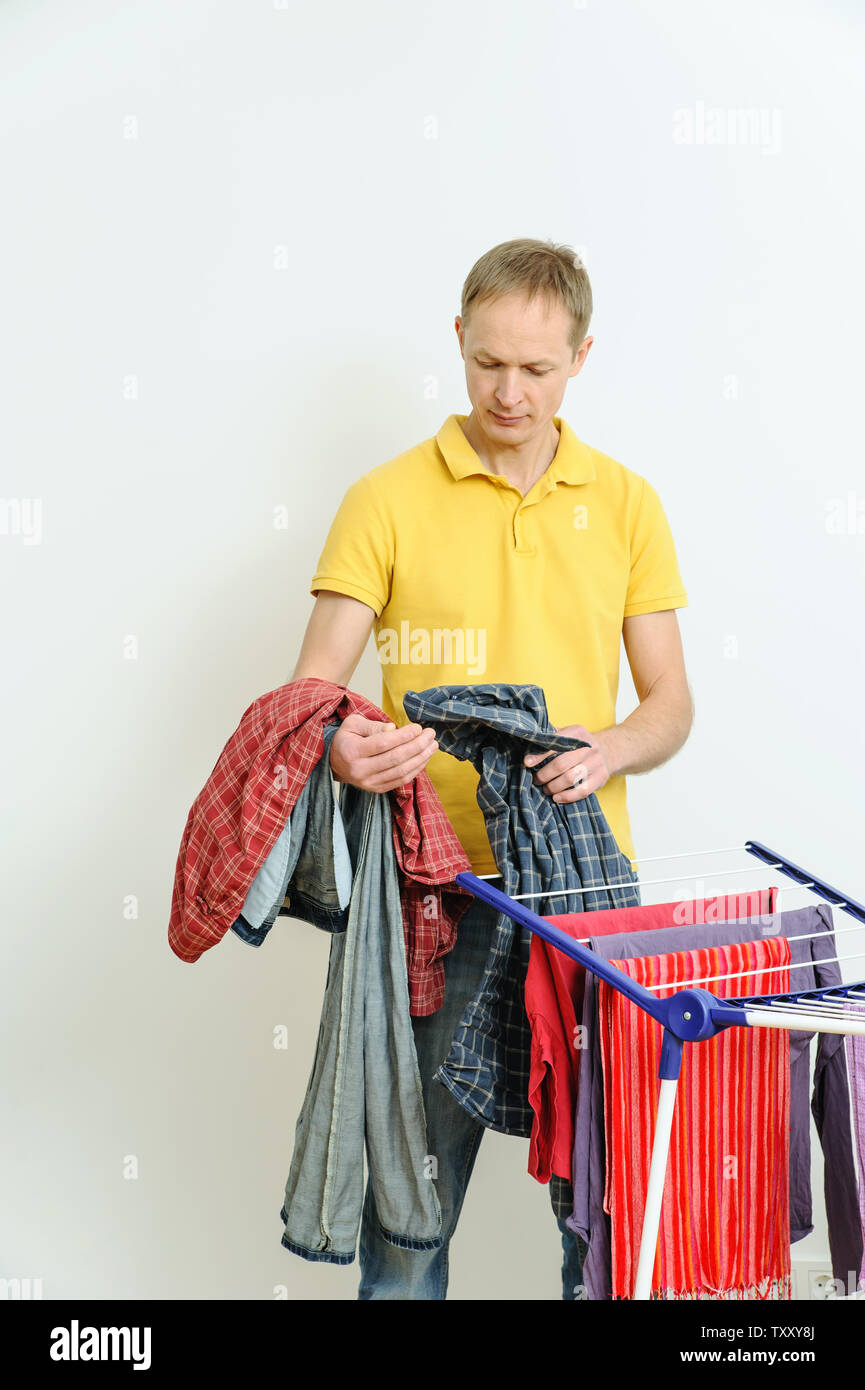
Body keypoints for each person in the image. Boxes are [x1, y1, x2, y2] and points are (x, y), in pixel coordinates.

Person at [289, 237, 694, 1299]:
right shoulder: (384, 498)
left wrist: (607, 746)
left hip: (584, 902)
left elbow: (670, 705)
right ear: (458, 343)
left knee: (605, 1214)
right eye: (487, 364)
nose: (507, 392)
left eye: (536, 369)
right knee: (408, 1216)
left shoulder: (625, 503)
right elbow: (312, 694)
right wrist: (345, 743)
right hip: (439, 893)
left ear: (581, 357)